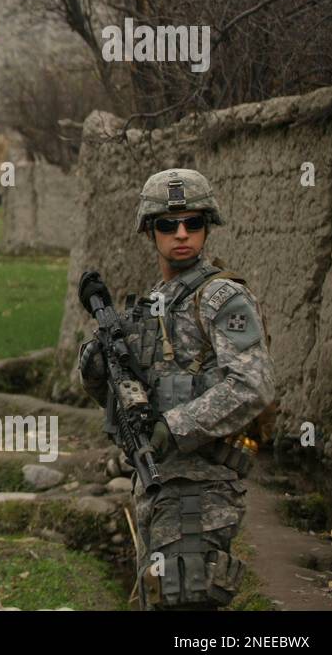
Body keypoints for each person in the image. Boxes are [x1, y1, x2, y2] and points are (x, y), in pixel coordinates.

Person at [77, 168, 274, 609]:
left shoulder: (222, 298)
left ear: (207, 227)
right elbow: (111, 390)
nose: (181, 234)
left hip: (201, 491)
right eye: (168, 224)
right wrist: (97, 354)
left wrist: (177, 424)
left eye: (193, 223)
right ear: (150, 230)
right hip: (156, 488)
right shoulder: (151, 304)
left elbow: (253, 385)